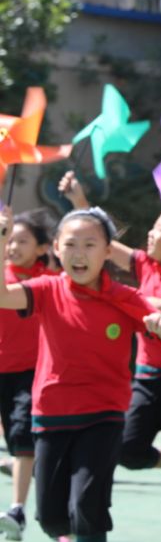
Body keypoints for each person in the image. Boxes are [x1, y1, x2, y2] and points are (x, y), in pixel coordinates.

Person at [0, 205, 161, 541]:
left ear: (108, 252)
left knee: (87, 507)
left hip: (103, 417)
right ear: (57, 248)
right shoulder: (46, 289)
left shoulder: (123, 297)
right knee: (52, 520)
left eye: (89, 244)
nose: (79, 254)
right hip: (51, 416)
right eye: (70, 244)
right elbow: (3, 295)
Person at [59, 171, 161, 542]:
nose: (151, 232)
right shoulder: (145, 263)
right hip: (147, 377)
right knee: (127, 449)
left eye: (160, 229)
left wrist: (159, 303)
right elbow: (105, 243)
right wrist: (79, 201)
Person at [0, 210, 55, 540]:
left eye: (23, 240)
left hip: (32, 372)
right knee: (15, 439)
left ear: (41, 248)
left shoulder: (44, 278)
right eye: (11, 239)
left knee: (22, 437)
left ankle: (17, 509)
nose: (14, 246)